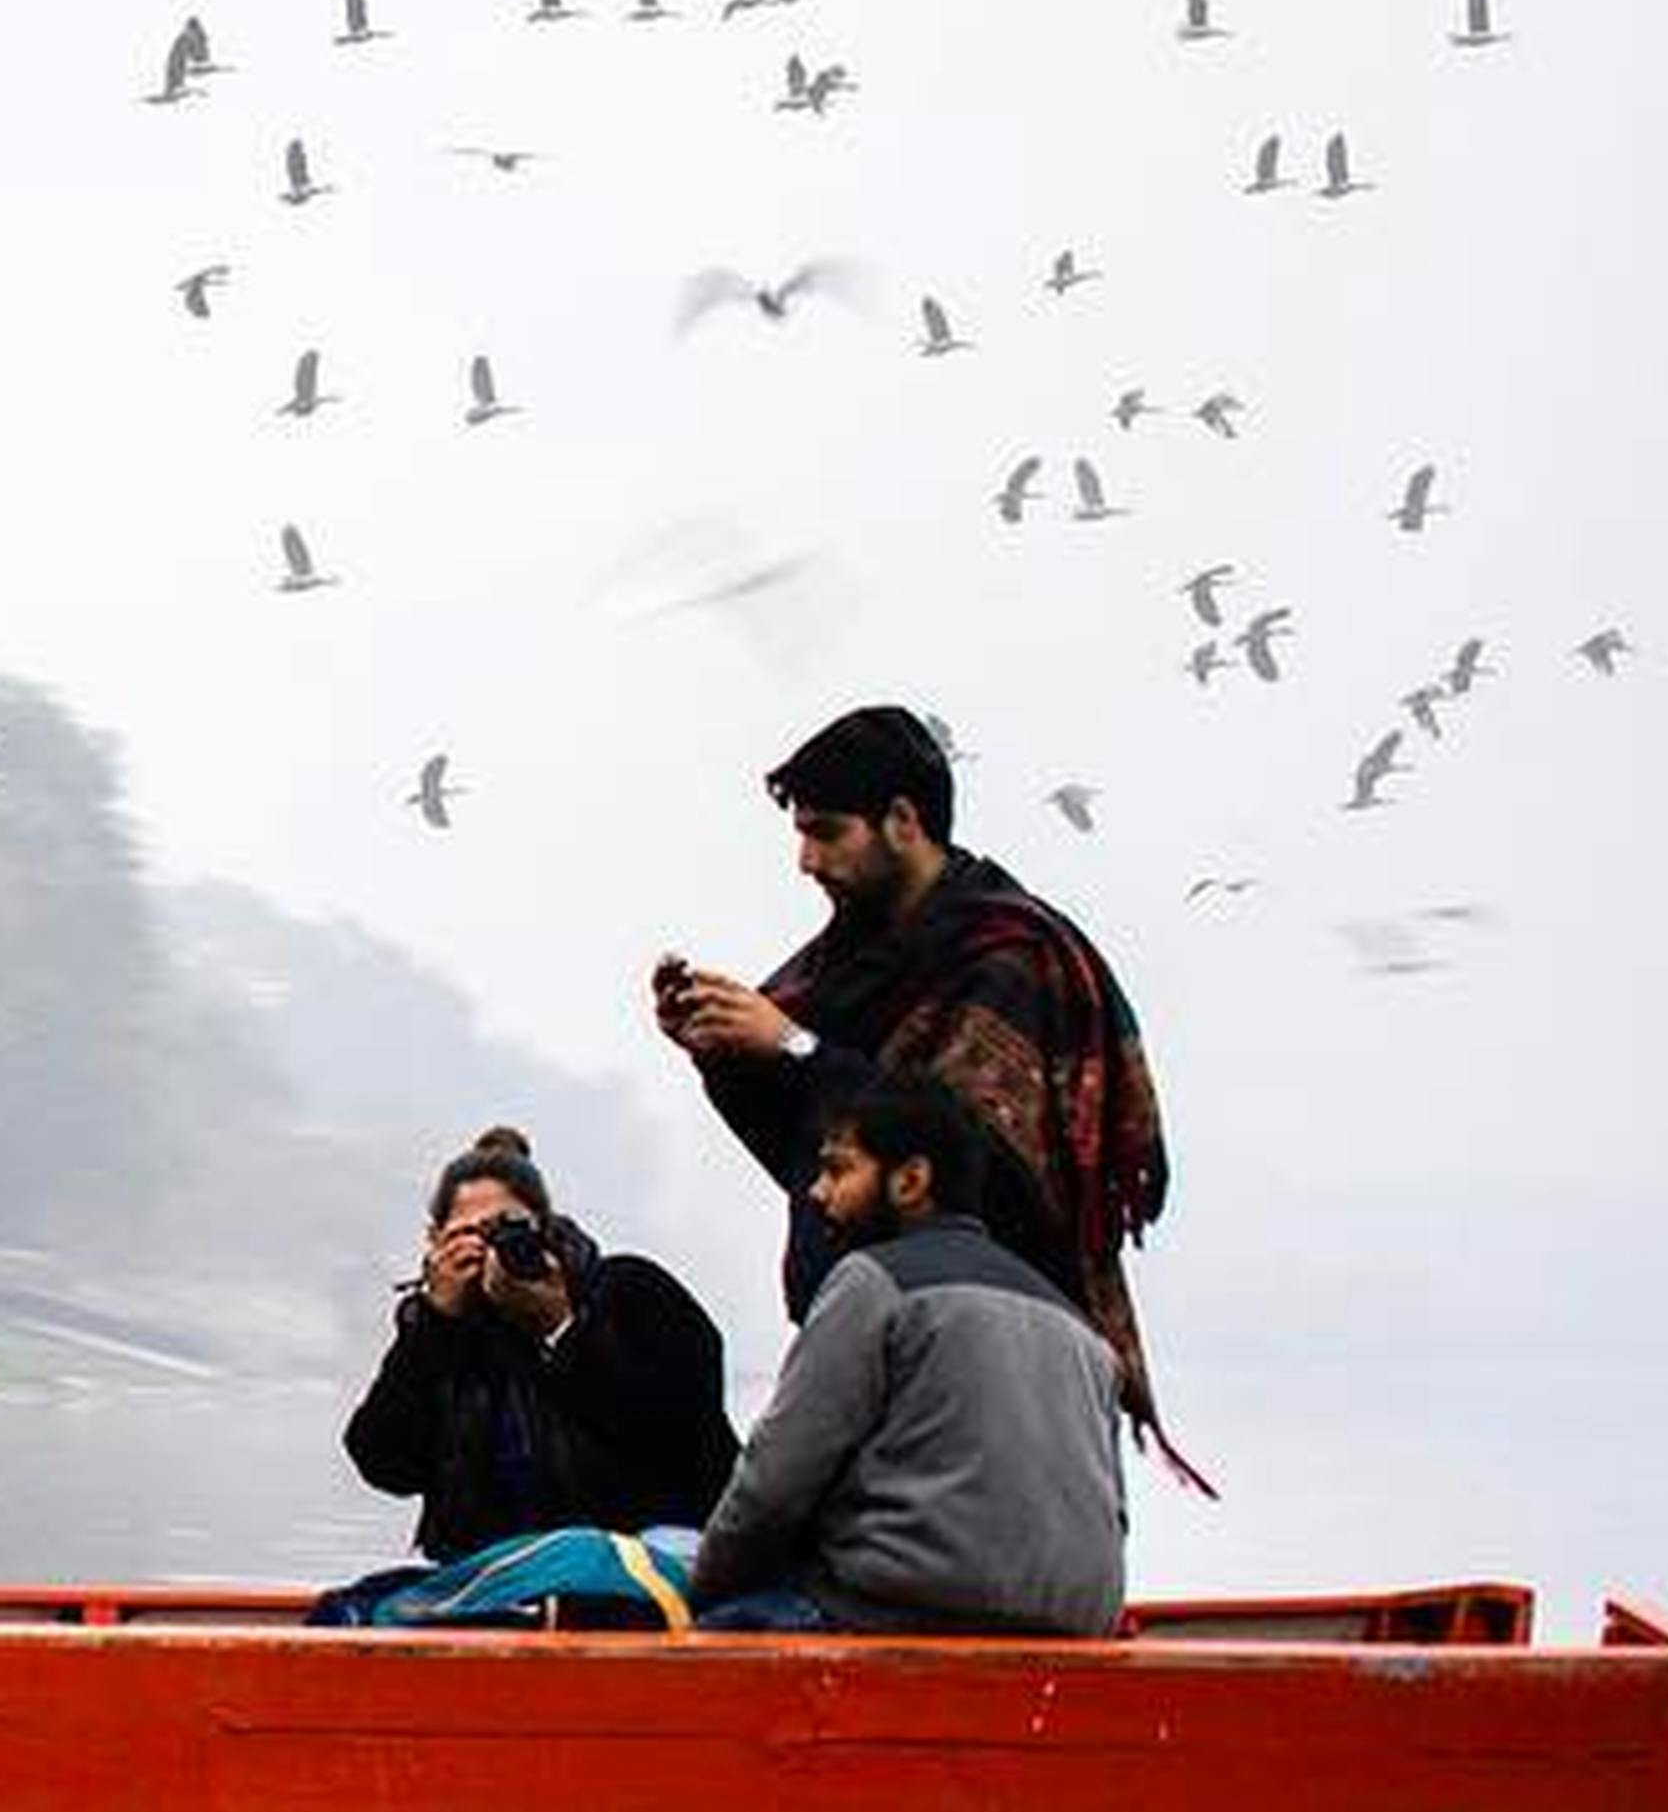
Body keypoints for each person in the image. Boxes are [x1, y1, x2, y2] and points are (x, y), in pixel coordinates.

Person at [655, 700, 1181, 1457]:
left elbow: (967, 1159)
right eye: (799, 833)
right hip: (859, 1344)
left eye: (825, 831)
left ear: (902, 820)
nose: (805, 860)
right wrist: (722, 1049)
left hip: (993, 1362)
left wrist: (791, 1045)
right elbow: (812, 1150)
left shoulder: (1009, 957)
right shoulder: (837, 974)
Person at [687, 1069, 1129, 1637]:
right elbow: (1113, 1514)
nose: (818, 1193)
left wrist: (700, 1591)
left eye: (838, 1169)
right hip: (1075, 1623)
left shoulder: (873, 1281)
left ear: (911, 1180)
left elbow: (774, 1482)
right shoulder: (1079, 1327)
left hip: (906, 1610)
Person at [340, 1125, 738, 1567]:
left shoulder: (632, 1292)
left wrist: (560, 1328)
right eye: (469, 1234)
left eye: (507, 1229)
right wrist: (434, 1327)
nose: (492, 1248)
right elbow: (385, 1465)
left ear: (545, 1226)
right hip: (491, 1568)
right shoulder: (439, 1333)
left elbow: (688, 1442)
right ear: (435, 1241)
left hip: (640, 1555)